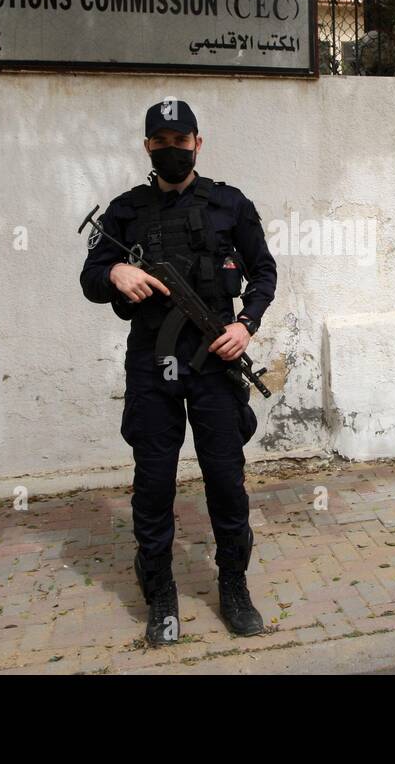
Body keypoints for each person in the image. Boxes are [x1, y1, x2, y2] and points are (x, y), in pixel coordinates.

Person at [80, 99, 277, 643]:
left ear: (198, 142)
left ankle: (233, 585)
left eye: (181, 140)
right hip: (150, 362)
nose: (172, 150)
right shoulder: (124, 211)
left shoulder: (230, 205)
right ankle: (161, 591)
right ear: (147, 146)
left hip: (214, 363)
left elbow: (264, 271)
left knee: (224, 480)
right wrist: (116, 270)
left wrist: (247, 325)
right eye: (161, 141)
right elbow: (90, 276)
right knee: (153, 481)